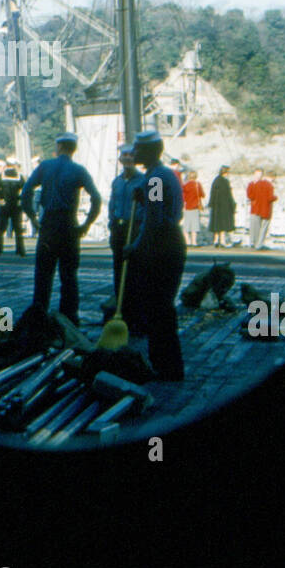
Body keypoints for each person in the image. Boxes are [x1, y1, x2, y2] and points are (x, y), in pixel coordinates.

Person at [123, 130, 186, 381]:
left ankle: (166, 367)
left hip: (162, 248)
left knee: (159, 309)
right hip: (168, 245)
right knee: (160, 309)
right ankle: (165, 365)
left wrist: (135, 246)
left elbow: (155, 221)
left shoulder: (156, 180)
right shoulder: (160, 176)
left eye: (137, 149)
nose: (134, 153)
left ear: (149, 151)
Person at [20, 132, 101, 327]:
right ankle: (69, 319)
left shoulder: (45, 167)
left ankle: (38, 318)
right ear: (74, 148)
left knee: (43, 276)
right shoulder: (79, 170)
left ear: (59, 147)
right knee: (69, 276)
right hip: (69, 226)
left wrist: (32, 217)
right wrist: (86, 224)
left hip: (48, 225)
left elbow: (26, 191)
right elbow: (96, 198)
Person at [107, 145, 143, 314]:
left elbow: (154, 207)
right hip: (119, 229)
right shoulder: (117, 181)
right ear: (120, 159)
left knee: (135, 272)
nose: (127, 158)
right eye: (124, 155)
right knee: (118, 271)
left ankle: (134, 312)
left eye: (131, 155)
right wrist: (112, 223)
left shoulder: (147, 181)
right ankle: (120, 310)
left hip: (134, 227)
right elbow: (111, 204)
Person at [0, 158, 26, 256]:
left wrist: (1, 198)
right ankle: (20, 249)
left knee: (1, 228)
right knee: (18, 228)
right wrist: (20, 199)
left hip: (5, 204)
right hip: (16, 205)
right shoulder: (19, 176)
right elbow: (24, 189)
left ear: (7, 165)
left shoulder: (2, 175)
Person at [246, 168, 277, 249]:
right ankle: (260, 244)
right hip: (266, 209)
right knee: (263, 228)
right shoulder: (269, 185)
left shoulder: (254, 184)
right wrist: (275, 197)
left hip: (255, 208)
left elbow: (250, 196)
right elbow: (270, 198)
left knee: (255, 227)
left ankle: (254, 243)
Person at [208, 164, 236, 247]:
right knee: (223, 223)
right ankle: (223, 241)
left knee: (216, 223)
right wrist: (233, 205)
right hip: (224, 206)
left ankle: (216, 240)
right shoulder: (225, 182)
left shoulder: (215, 180)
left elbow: (212, 193)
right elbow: (228, 195)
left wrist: (211, 204)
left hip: (216, 205)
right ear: (226, 172)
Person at [182, 169, 205, 246]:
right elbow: (203, 195)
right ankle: (194, 242)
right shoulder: (198, 185)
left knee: (186, 225)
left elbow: (183, 197)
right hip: (195, 207)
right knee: (194, 226)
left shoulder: (185, 185)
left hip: (187, 207)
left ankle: (187, 241)